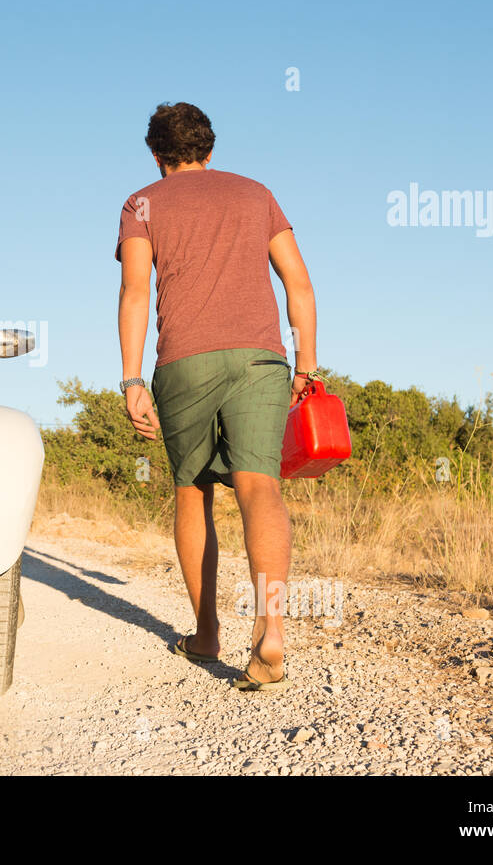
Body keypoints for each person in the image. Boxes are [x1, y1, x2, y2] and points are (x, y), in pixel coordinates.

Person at [115, 102, 317, 692]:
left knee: (192, 492)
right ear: (209, 147)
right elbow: (299, 284)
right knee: (261, 485)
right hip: (261, 358)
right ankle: (271, 630)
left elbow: (133, 292)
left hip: (184, 363)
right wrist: (305, 361)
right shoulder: (256, 194)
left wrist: (131, 381)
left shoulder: (142, 203)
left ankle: (206, 633)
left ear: (156, 154)